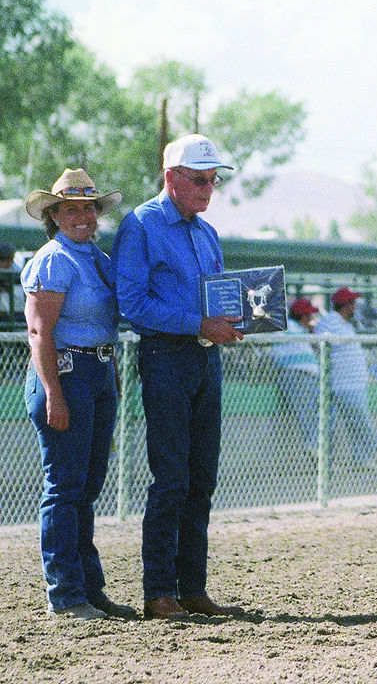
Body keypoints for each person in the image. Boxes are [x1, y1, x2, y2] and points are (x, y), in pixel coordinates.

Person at [113, 133, 245, 620]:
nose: (207, 189)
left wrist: (234, 319)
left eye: (212, 181)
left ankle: (192, 587)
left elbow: (217, 296)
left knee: (202, 477)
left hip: (206, 359)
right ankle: (159, 591)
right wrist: (199, 324)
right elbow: (133, 304)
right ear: (171, 178)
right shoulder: (141, 226)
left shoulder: (206, 233)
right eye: (198, 180)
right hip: (166, 358)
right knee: (171, 476)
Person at [21, 168, 134, 620]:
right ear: (55, 215)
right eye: (72, 209)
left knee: (85, 487)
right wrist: (54, 392)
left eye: (89, 208)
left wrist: (112, 375)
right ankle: (65, 592)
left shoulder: (97, 260)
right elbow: (38, 330)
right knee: (65, 487)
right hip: (66, 375)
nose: (83, 216)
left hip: (98, 372)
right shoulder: (53, 260)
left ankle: (88, 587)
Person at [314, 287, 377, 464]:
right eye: (352, 304)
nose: (355, 307)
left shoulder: (345, 324)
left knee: (355, 424)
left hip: (355, 383)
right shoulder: (330, 321)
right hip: (343, 383)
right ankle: (374, 453)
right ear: (345, 306)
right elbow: (320, 343)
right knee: (360, 423)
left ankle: (363, 460)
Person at [272, 297, 320, 448]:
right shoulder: (290, 327)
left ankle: (293, 451)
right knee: (308, 416)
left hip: (302, 376)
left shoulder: (299, 329)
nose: (311, 319)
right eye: (308, 315)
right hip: (296, 375)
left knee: (298, 417)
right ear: (302, 316)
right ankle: (313, 449)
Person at [0, 242, 26, 323]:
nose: (7, 264)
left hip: (18, 318)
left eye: (9, 260)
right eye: (2, 260)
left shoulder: (19, 272)